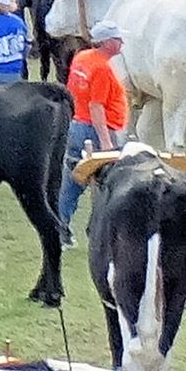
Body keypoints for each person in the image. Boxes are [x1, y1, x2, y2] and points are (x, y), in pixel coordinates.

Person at [58, 20, 130, 239]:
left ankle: (60, 228)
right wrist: (106, 142)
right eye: (118, 39)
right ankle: (100, 231)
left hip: (76, 125)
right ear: (107, 42)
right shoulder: (101, 68)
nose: (122, 42)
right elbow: (96, 106)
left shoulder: (82, 58)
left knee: (71, 179)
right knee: (106, 183)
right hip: (96, 130)